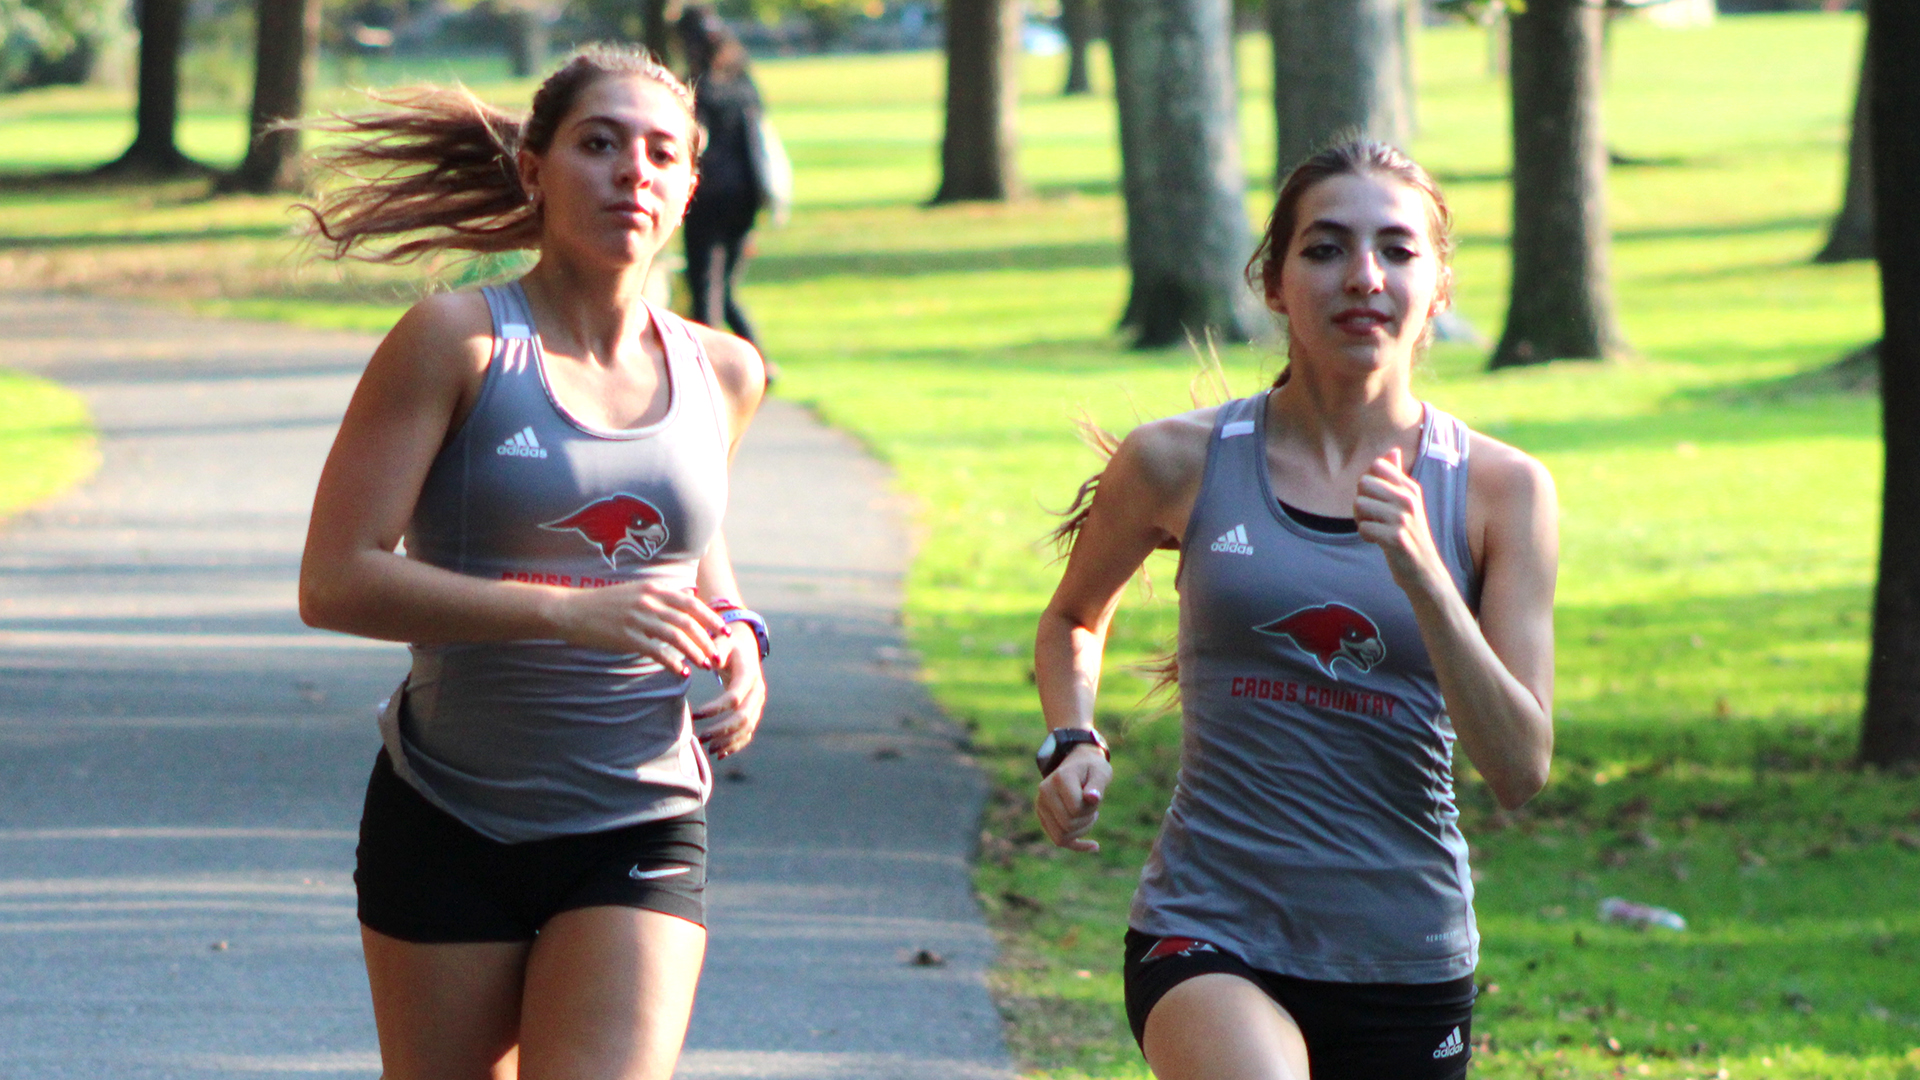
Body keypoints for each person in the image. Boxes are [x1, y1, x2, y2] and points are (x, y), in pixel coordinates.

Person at [1031, 140, 1557, 1080]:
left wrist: (1428, 579)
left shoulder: (1499, 491)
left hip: (1406, 955)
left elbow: (1519, 766)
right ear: (1273, 283)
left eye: (1397, 250)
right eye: (1325, 249)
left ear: (1438, 287)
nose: (1363, 276)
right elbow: (1075, 617)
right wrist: (1073, 738)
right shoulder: (1178, 461)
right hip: (1206, 930)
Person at [295, 44, 769, 1080]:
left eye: (660, 153)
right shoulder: (455, 344)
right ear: (534, 170)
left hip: (640, 816)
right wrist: (566, 610)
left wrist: (739, 640)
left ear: (690, 185)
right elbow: (334, 579)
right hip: (450, 811)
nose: (631, 172)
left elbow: (688, 548)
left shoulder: (724, 372)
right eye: (598, 145)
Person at [676, 6, 769, 355]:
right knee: (725, 287)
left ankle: (708, 363)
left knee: (704, 287)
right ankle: (760, 358)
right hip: (745, 195)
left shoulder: (696, 89)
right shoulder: (744, 83)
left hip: (708, 195)